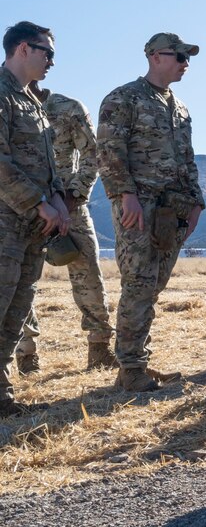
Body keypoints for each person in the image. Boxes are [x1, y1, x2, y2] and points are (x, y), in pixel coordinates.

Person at [96, 32, 204, 392]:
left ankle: (137, 359)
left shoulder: (180, 107)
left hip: (172, 210)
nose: (185, 64)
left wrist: (196, 203)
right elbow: (109, 151)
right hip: (138, 205)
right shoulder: (124, 98)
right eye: (179, 56)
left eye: (188, 58)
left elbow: (188, 159)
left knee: (153, 285)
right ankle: (130, 368)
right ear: (155, 56)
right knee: (139, 284)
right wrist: (125, 194)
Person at [14, 84, 117, 374]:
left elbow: (93, 154)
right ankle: (25, 354)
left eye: (49, 60)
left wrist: (74, 196)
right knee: (18, 279)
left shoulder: (68, 108)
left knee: (89, 274)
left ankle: (100, 348)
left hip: (69, 207)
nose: (48, 63)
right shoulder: (7, 106)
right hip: (19, 206)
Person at [0, 21, 69, 417]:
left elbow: (48, 163)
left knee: (15, 313)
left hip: (32, 227)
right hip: (7, 223)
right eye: (48, 52)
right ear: (23, 48)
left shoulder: (31, 101)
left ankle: (1, 396)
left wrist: (58, 199)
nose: (52, 61)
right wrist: (39, 204)